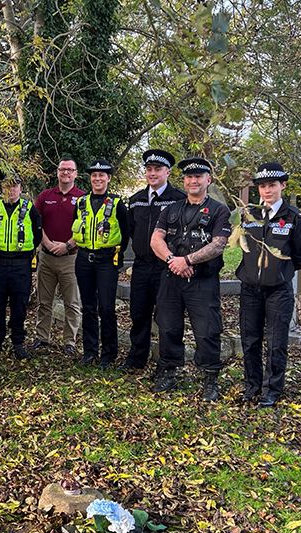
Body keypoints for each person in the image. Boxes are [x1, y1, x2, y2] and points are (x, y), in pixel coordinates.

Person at [150, 157, 231, 400]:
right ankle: (168, 371)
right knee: (168, 326)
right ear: (183, 181)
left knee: (207, 330)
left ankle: (210, 378)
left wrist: (188, 260)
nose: (193, 181)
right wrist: (172, 261)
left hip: (202, 280)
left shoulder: (219, 210)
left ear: (208, 180)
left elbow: (218, 245)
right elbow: (156, 239)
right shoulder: (171, 209)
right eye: (188, 177)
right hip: (171, 276)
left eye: (198, 176)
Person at [236, 162, 301, 407]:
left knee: (276, 341)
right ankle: (252, 385)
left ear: (283, 185)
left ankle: (272, 389)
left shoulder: (294, 217)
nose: (267, 191)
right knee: (250, 339)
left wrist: (279, 272)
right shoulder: (249, 214)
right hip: (250, 289)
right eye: (262, 186)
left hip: (278, 291)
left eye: (272, 185)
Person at [123, 149, 187, 371]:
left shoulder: (178, 199)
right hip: (141, 266)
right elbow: (132, 230)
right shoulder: (136, 200)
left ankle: (167, 362)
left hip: (166, 267)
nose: (152, 174)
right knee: (139, 313)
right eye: (149, 170)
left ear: (167, 172)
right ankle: (137, 358)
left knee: (167, 317)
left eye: (157, 170)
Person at [72, 159, 129, 369]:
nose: (97, 178)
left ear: (108, 178)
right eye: (94, 175)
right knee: (87, 307)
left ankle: (109, 353)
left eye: (102, 175)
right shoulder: (81, 202)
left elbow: (126, 232)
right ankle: (90, 351)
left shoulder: (116, 203)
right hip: (84, 259)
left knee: (106, 307)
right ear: (90, 178)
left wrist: (116, 255)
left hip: (106, 261)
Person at [0, 174, 42, 360]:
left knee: (19, 306)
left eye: (15, 186)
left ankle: (18, 343)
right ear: (2, 188)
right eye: (8, 187)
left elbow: (37, 234)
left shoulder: (29, 208)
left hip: (20, 265)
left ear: (20, 188)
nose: (11, 190)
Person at [32, 157, 86, 356]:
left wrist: (68, 245)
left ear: (76, 173)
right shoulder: (45, 196)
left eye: (70, 170)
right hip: (46, 257)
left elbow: (86, 227)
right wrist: (46, 243)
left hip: (70, 257)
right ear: (57, 172)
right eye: (62, 169)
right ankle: (41, 338)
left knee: (72, 302)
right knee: (44, 301)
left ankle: (69, 342)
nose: (66, 173)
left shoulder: (82, 198)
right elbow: (37, 223)